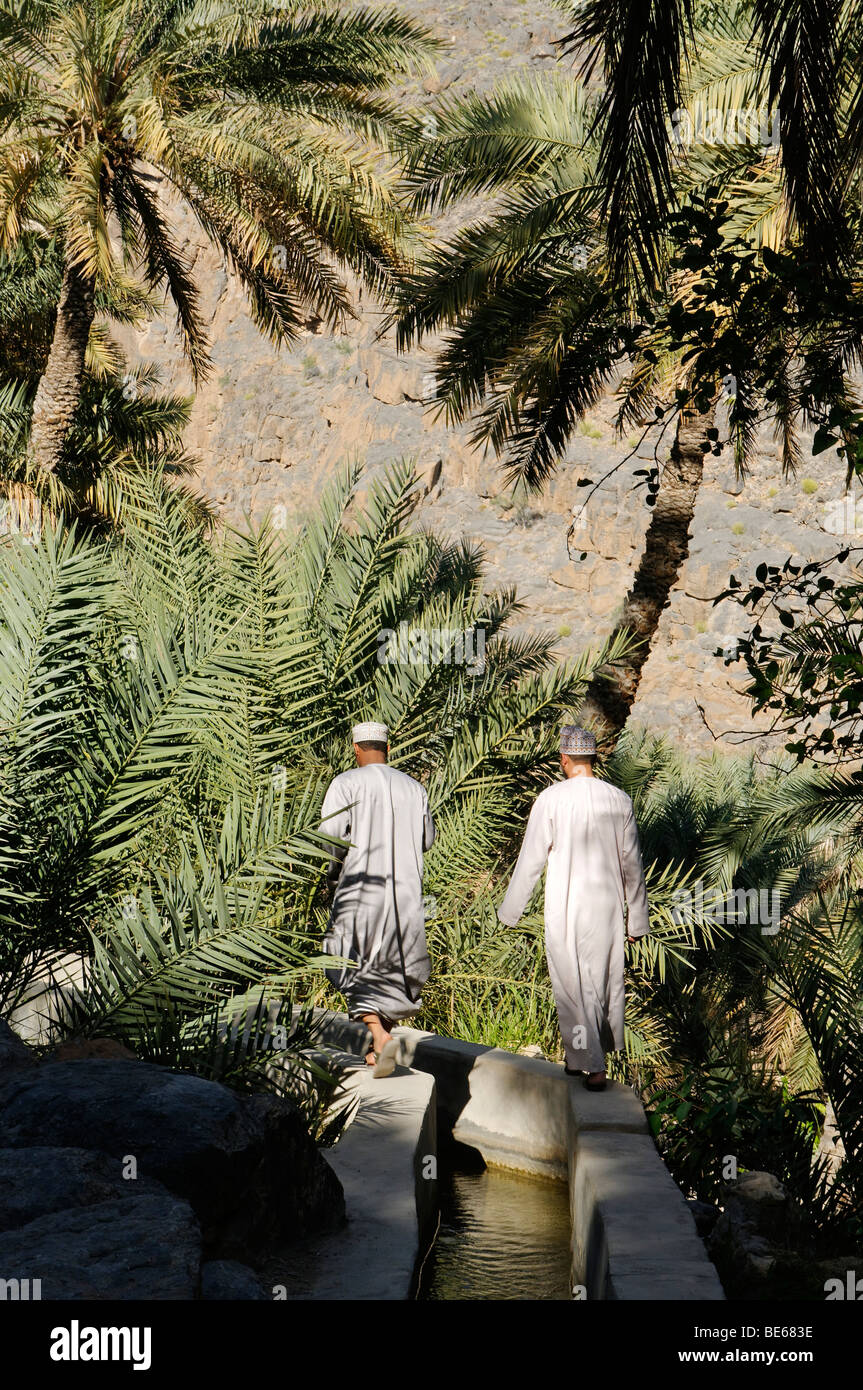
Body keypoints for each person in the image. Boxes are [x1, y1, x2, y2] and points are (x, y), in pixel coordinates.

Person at [497, 725, 649, 1091]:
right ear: (593, 759)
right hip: (608, 906)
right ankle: (578, 1056)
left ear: (565, 759)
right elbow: (632, 864)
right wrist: (636, 919)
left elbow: (530, 859)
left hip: (566, 905)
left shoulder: (551, 799)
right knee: (601, 981)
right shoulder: (619, 799)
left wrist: (510, 912)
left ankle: (594, 1068)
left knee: (571, 984)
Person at [319, 720, 435, 1077]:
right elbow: (427, 840)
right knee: (388, 967)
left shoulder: (345, 784)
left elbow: (330, 840)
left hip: (359, 892)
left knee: (346, 960)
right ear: (388, 747)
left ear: (356, 748)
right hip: (404, 895)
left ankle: (379, 1036)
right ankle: (376, 1048)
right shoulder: (414, 788)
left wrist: (328, 873)